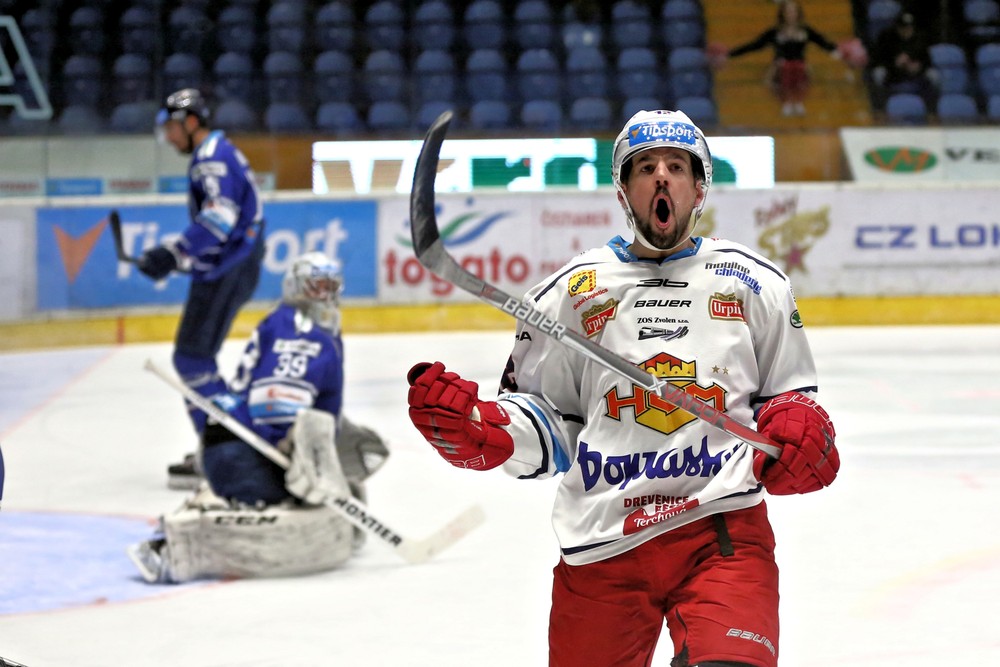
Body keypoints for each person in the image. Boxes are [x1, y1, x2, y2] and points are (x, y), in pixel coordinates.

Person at [405, 109, 839, 666]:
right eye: (645, 167)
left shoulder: (754, 281)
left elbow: (788, 393)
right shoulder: (567, 293)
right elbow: (550, 422)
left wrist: (800, 426)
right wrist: (483, 431)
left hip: (721, 530)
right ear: (622, 189)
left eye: (677, 166)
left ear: (699, 188)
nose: (661, 177)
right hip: (602, 543)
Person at [127, 252, 390, 583]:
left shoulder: (284, 322)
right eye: (317, 286)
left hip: (231, 444)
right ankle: (175, 548)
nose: (325, 296)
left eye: (331, 287)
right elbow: (276, 405)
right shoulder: (304, 332)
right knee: (312, 501)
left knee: (334, 480)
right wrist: (302, 453)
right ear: (296, 287)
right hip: (245, 454)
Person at [136, 88, 267, 490]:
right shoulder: (217, 152)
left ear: (191, 122)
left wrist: (174, 253)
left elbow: (220, 218)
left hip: (228, 270)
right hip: (229, 267)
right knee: (196, 360)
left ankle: (227, 450)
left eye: (172, 127)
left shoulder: (211, 158)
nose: (168, 136)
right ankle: (226, 445)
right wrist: (179, 257)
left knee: (193, 360)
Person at [724, 0, 843, 116]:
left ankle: (798, 100)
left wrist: (839, 51)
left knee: (799, 68)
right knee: (783, 68)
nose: (791, 15)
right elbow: (755, 45)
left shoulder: (805, 31)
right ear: (782, 14)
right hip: (780, 66)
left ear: (798, 13)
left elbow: (823, 42)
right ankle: (785, 100)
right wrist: (730, 54)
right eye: (788, 12)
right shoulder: (775, 32)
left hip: (800, 66)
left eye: (793, 11)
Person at [869, 12, 937, 111]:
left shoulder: (920, 38)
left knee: (934, 75)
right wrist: (895, 64)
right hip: (892, 73)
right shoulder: (887, 37)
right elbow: (878, 60)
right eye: (903, 28)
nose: (907, 30)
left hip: (916, 73)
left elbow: (927, 61)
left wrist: (919, 66)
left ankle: (931, 110)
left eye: (909, 28)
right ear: (898, 28)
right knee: (878, 73)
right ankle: (882, 108)